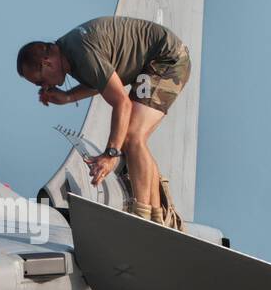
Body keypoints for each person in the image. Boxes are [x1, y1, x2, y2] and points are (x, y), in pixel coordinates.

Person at [16, 15, 190, 225]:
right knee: (134, 138)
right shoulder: (70, 54)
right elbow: (101, 80)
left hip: (166, 58)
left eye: (40, 81)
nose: (44, 87)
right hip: (154, 62)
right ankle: (157, 218)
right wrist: (68, 97)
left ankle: (144, 216)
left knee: (131, 137)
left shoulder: (81, 53)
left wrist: (110, 154)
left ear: (48, 63)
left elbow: (122, 103)